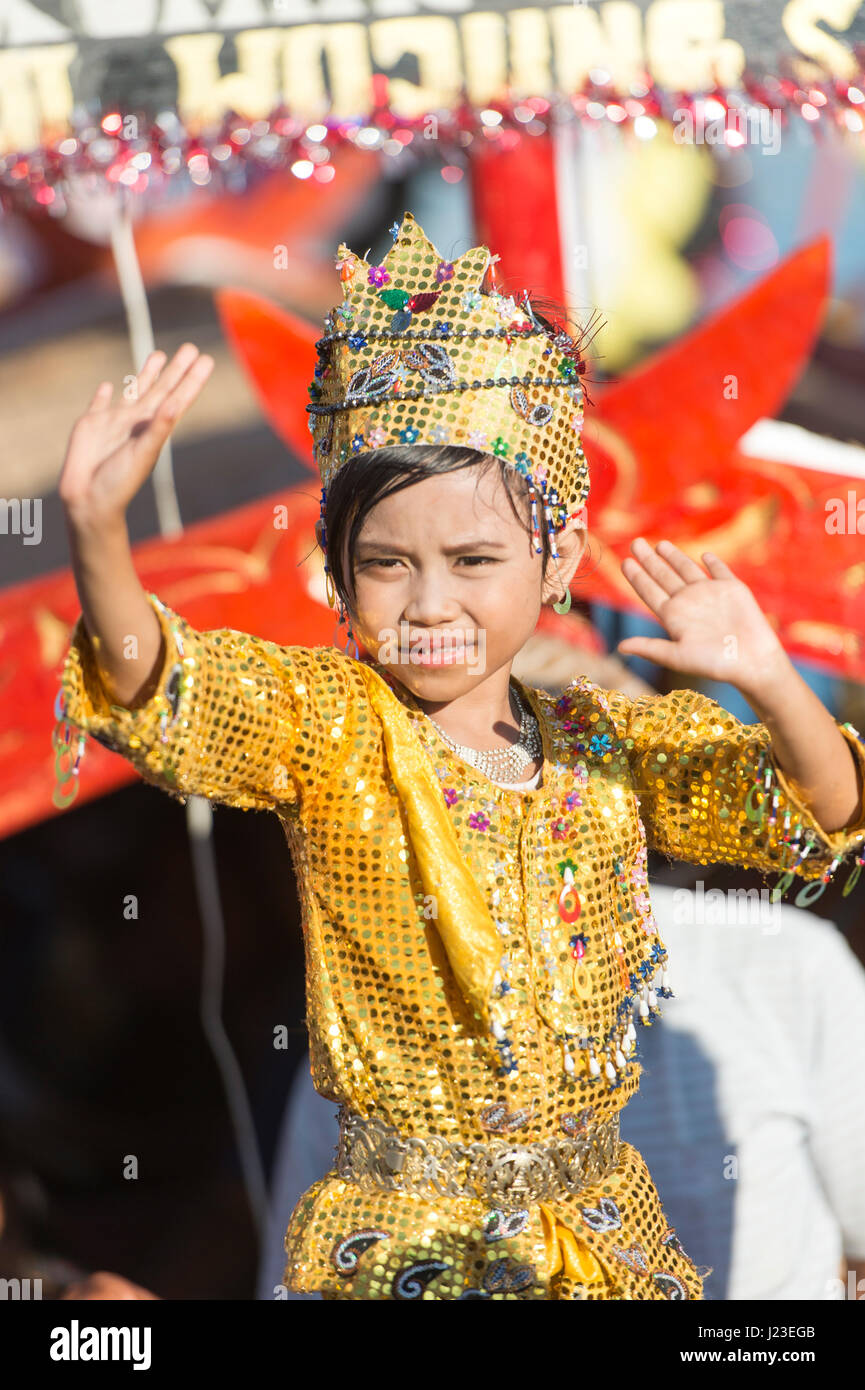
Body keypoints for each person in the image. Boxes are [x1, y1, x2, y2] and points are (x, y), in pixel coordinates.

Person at [54, 211, 865, 1301]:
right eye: (386, 563)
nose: (430, 601)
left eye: (474, 557)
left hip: (600, 1242)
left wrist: (766, 676)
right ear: (334, 578)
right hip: (404, 1249)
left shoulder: (608, 747)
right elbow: (161, 678)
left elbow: (819, 807)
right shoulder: (327, 724)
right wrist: (97, 535)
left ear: (558, 556)